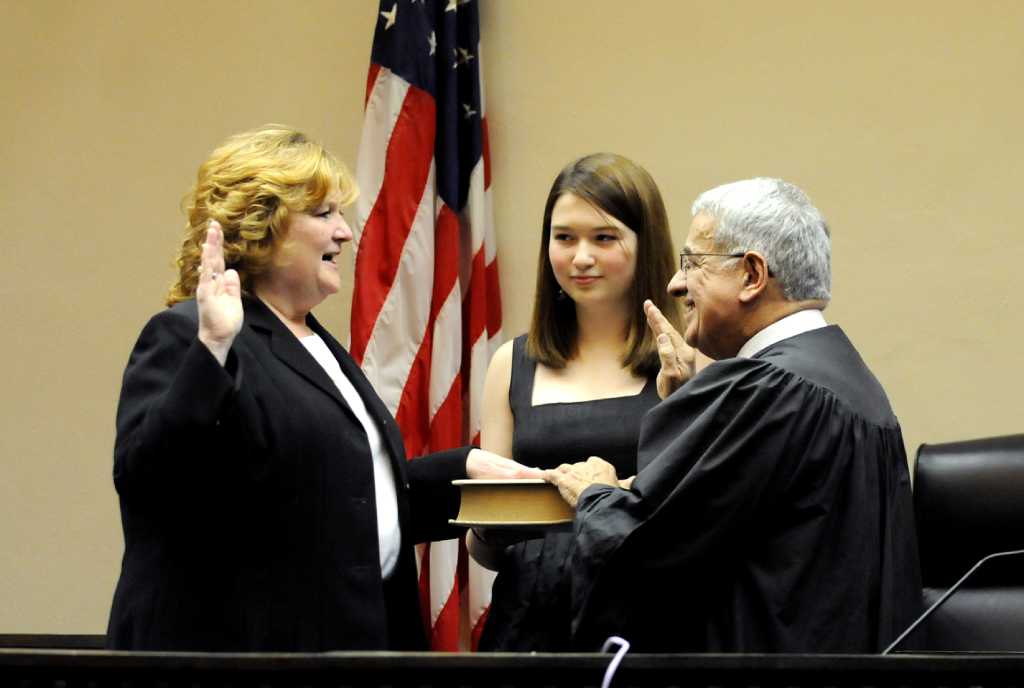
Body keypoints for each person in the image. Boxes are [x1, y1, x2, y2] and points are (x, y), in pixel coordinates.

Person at [107, 125, 538, 652]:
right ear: (262, 223)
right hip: (248, 669)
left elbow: (343, 493)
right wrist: (212, 351)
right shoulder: (187, 336)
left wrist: (463, 472)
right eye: (324, 214)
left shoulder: (317, 343)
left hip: (353, 656)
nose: (345, 232)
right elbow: (149, 480)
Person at [547, 177, 923, 653]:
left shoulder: (766, 391)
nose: (675, 283)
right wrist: (697, 402)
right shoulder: (845, 377)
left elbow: (647, 546)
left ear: (750, 274)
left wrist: (595, 495)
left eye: (692, 263)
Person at [469, 153, 686, 651]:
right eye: (564, 237)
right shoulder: (511, 362)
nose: (580, 257)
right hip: (527, 625)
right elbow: (484, 548)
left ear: (644, 244)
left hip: (645, 625)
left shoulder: (687, 361)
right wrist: (488, 527)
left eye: (603, 238)